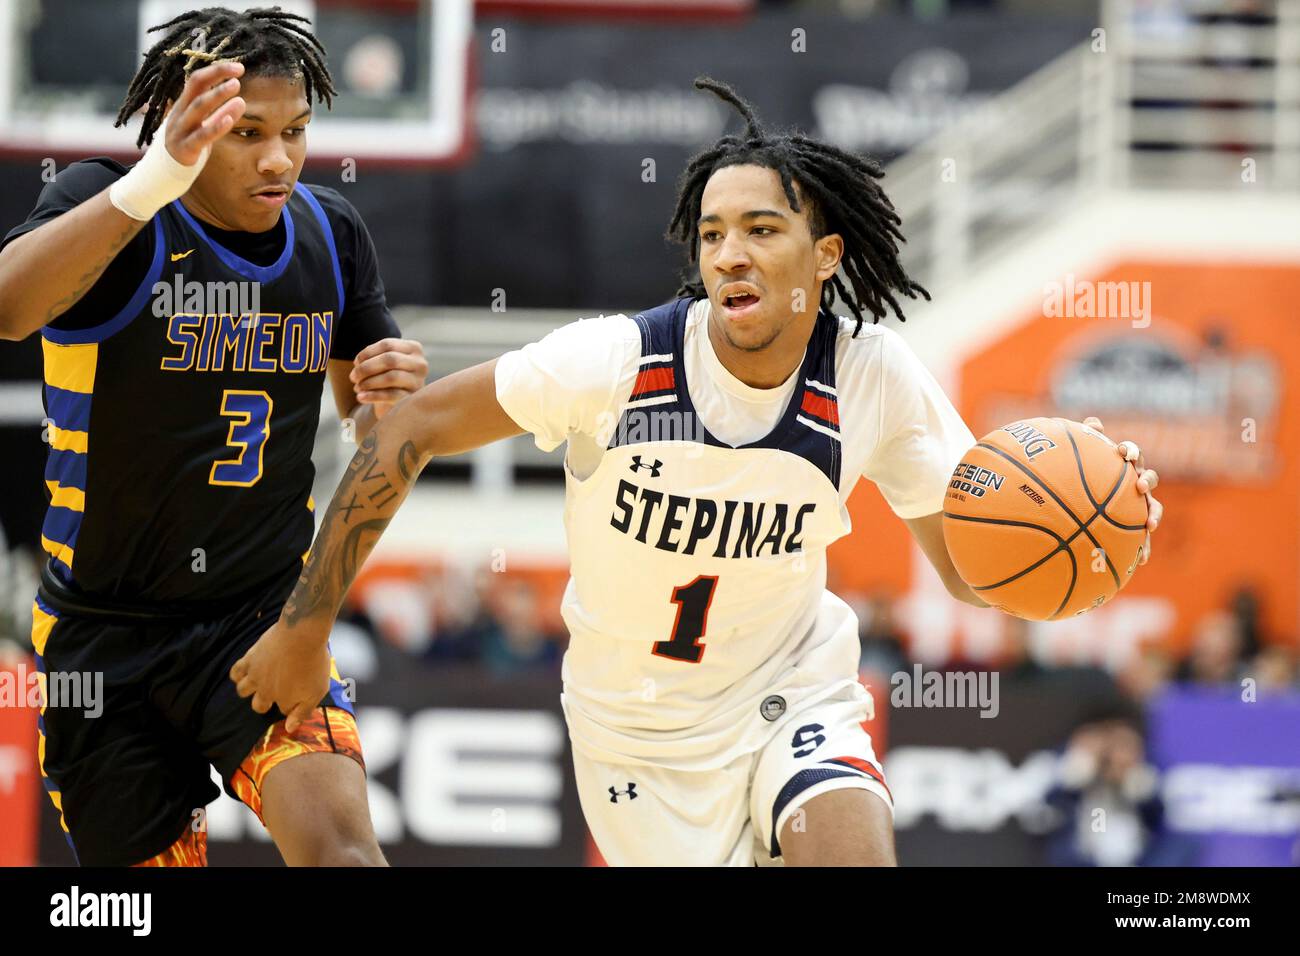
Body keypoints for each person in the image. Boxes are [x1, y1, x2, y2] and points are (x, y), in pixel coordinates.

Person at [232, 78, 1164, 866]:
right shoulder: (614, 363)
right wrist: (305, 628)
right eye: (713, 233)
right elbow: (410, 432)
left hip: (795, 694)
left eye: (761, 229)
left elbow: (970, 567)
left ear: (825, 256)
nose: (730, 254)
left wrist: (1095, 535)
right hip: (634, 735)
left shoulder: (872, 376)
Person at [0, 7, 428, 866]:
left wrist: (386, 396)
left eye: (297, 131)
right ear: (182, 125)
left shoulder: (330, 231)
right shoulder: (102, 201)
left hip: (256, 617)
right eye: (249, 134)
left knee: (344, 856)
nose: (280, 158)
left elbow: (368, 415)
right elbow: (10, 309)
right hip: (99, 634)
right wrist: (149, 184)